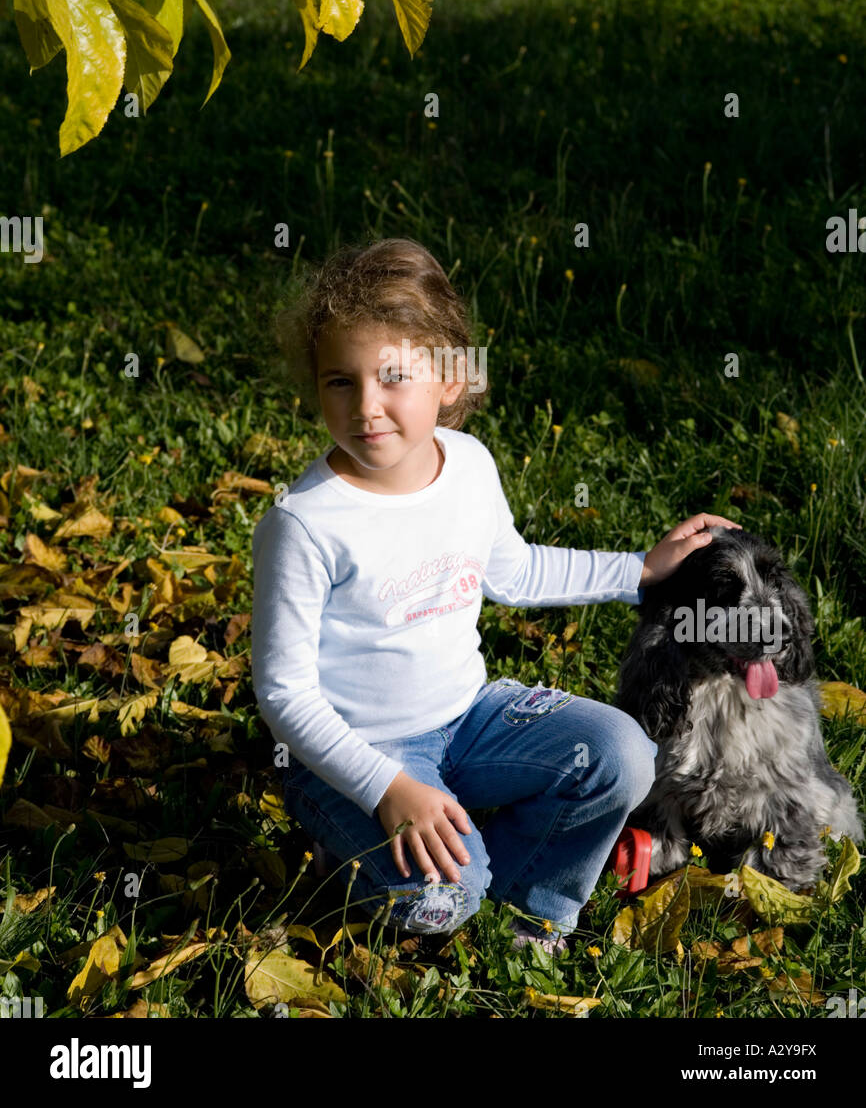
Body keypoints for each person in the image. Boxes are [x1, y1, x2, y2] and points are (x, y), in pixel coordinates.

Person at [251, 237, 741, 955]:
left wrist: (640, 568)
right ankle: (361, 850)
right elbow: (285, 695)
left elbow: (515, 571)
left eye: (393, 377)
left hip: (468, 720)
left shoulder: (469, 466)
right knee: (441, 895)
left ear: (450, 379)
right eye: (339, 382)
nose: (366, 406)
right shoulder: (304, 523)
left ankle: (531, 914)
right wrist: (387, 788)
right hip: (354, 757)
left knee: (621, 754)